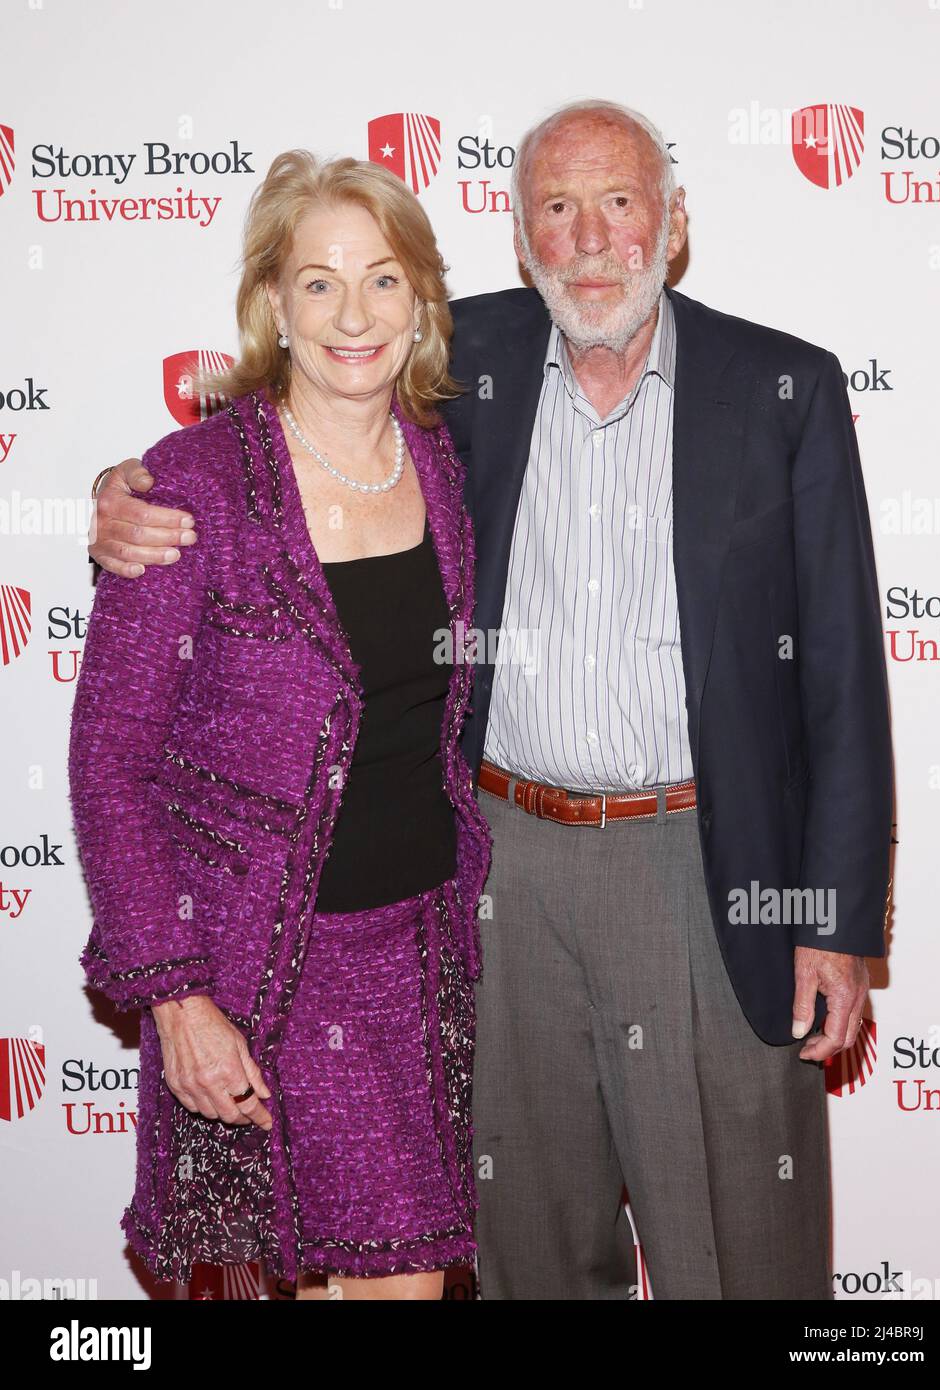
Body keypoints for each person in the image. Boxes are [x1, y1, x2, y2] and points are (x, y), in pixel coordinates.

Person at [87, 100, 894, 1301]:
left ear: (671, 228)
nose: (586, 238)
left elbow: (838, 666)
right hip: (498, 875)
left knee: (738, 1258)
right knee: (524, 1245)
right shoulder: (458, 367)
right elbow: (285, 428)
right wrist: (127, 488)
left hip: (706, 863)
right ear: (517, 241)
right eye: (553, 210)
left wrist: (833, 918)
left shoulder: (781, 386)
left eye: (618, 202)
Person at [70, 151, 492, 1302]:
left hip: (421, 962)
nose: (351, 313)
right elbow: (111, 764)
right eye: (317, 282)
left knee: (409, 1285)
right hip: (260, 976)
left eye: (381, 280)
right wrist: (174, 998)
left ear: (420, 304)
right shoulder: (191, 486)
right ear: (271, 304)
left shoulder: (445, 464)